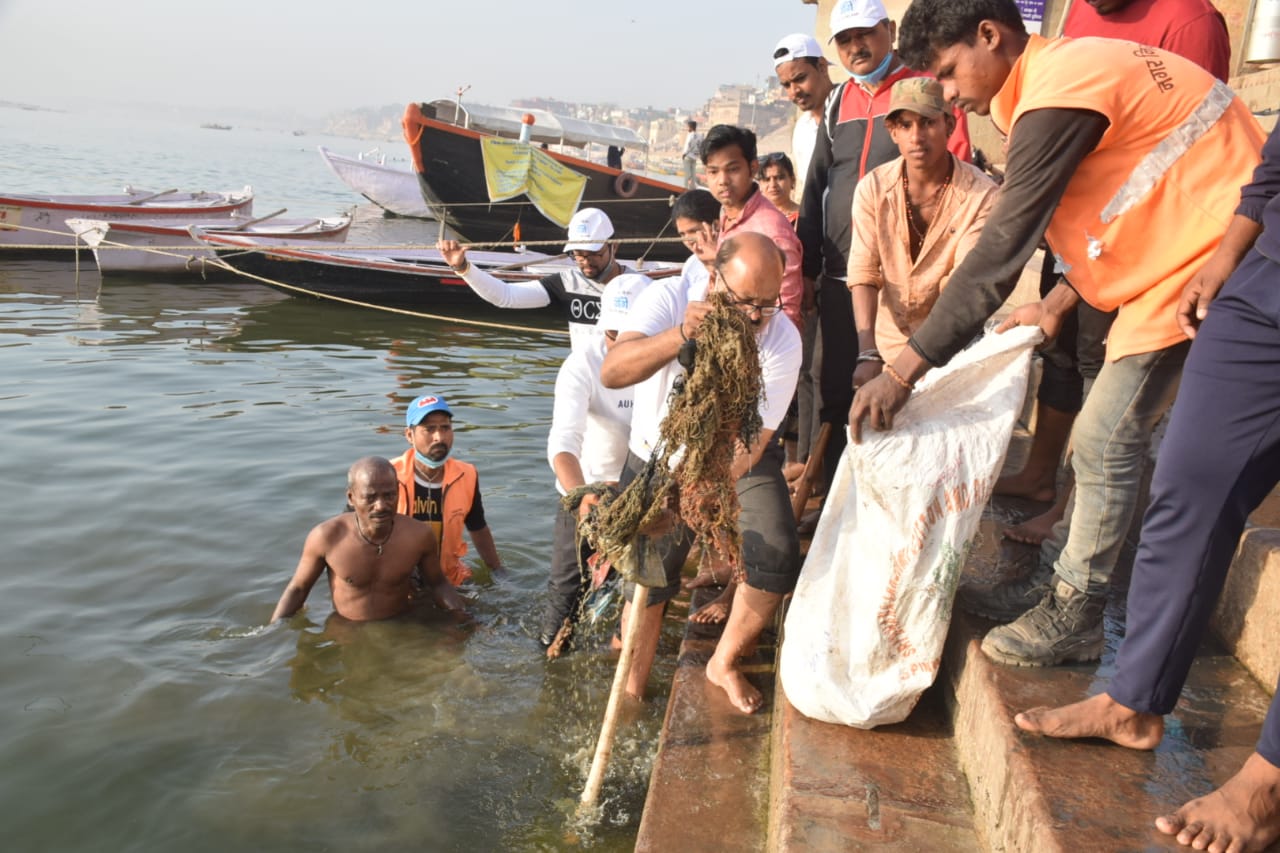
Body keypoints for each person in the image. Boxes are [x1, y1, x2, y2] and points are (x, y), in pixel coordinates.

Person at [849, 0, 1263, 667]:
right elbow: (1120, 199)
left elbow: (1000, 252)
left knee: (1105, 440)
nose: (950, 97)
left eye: (951, 74)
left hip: (1212, 250)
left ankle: (1075, 611)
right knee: (1104, 441)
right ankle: (1062, 588)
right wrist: (1058, 303)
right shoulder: (1054, 81)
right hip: (1174, 250)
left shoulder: (1059, 90)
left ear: (991, 35)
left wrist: (904, 372)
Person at [1012, 119, 1280, 853]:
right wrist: (1228, 256)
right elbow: (1273, 169)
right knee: (1189, 477)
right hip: (1266, 282)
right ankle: (1133, 700)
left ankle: (1270, 779)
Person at [993, 0, 1234, 546]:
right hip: (1089, 232)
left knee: (1107, 410)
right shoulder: (1079, 16)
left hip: (1159, 247)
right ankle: (1044, 481)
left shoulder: (1190, 20)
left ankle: (1074, 527)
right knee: (1062, 352)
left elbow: (1176, 164)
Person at [600, 232, 802, 714]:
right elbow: (613, 372)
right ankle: (631, 695)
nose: (755, 317)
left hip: (731, 459)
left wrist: (694, 492)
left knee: (774, 554)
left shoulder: (783, 338)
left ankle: (723, 662)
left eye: (767, 304)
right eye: (743, 302)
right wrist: (679, 337)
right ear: (714, 281)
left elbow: (752, 442)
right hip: (653, 455)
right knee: (648, 583)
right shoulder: (666, 299)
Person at [797, 0, 971, 496]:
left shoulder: (921, 92)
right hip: (839, 274)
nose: (857, 46)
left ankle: (891, 494)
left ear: (889, 32)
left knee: (901, 391)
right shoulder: (837, 103)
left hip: (902, 280)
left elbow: (952, 181)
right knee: (835, 389)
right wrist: (808, 266)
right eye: (846, 40)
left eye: (866, 34)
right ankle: (838, 497)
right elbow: (816, 185)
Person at [847, 77, 998, 388]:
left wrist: (916, 365)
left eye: (927, 122)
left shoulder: (982, 196)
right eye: (905, 125)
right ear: (893, 132)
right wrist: (867, 353)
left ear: (949, 125)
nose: (916, 137)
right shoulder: (872, 189)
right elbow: (863, 271)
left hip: (952, 350)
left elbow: (961, 285)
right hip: (887, 346)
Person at [539, 273, 650, 656]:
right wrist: (583, 497)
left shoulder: (667, 360)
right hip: (586, 495)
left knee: (631, 594)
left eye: (630, 335)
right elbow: (563, 442)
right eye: (611, 335)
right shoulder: (581, 364)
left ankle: (619, 655)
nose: (618, 345)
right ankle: (550, 664)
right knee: (566, 592)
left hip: (642, 496)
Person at [271, 456, 466, 622]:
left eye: (389, 495)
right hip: (347, 631)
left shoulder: (418, 536)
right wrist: (274, 634)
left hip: (401, 626)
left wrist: (464, 619)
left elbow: (438, 584)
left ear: (398, 492)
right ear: (351, 497)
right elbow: (298, 589)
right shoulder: (326, 537)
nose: (381, 505)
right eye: (370, 497)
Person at [437, 207, 652, 351]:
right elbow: (505, 296)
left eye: (593, 252)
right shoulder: (568, 283)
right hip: (587, 387)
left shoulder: (641, 288)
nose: (585, 261)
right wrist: (462, 267)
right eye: (577, 254)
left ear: (614, 246)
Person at [390, 394, 505, 586]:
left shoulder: (466, 475)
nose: (439, 437)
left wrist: (498, 572)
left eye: (445, 427)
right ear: (409, 435)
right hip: (398, 583)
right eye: (429, 429)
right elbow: (354, 530)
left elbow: (478, 528)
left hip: (449, 579)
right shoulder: (388, 476)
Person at [702, 124, 804, 334]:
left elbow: (786, 311)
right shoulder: (727, 215)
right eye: (713, 171)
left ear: (753, 168)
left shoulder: (771, 229)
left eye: (733, 169)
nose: (722, 181)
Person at [772, 32, 835, 207]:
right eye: (786, 85)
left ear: (822, 67)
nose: (794, 91)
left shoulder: (851, 113)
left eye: (800, 79)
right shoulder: (802, 129)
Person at [758, 152, 800, 225]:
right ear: (760, 185)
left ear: (792, 180)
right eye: (767, 179)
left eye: (779, 178)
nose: (773, 185)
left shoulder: (806, 217)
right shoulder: (754, 220)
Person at [681, 120, 703, 189]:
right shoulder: (700, 136)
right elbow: (701, 146)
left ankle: (685, 187)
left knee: (687, 173)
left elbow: (688, 145)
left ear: (690, 127)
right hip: (695, 157)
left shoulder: (690, 135)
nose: (687, 129)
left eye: (688, 127)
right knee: (693, 173)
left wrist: (684, 154)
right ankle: (692, 187)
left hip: (688, 156)